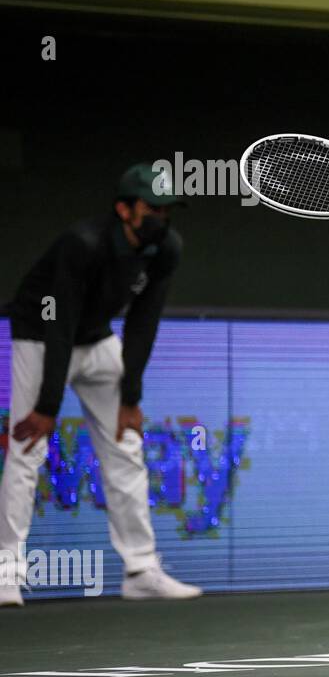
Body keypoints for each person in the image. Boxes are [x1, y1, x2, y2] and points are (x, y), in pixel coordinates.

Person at [0, 164, 203, 606]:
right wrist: (47, 408)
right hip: (41, 335)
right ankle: (6, 573)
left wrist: (132, 396)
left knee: (127, 446)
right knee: (27, 449)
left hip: (96, 338)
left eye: (166, 210)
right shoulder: (84, 243)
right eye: (152, 208)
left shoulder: (166, 248)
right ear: (124, 209)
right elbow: (60, 322)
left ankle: (141, 570)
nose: (160, 218)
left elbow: (143, 323)